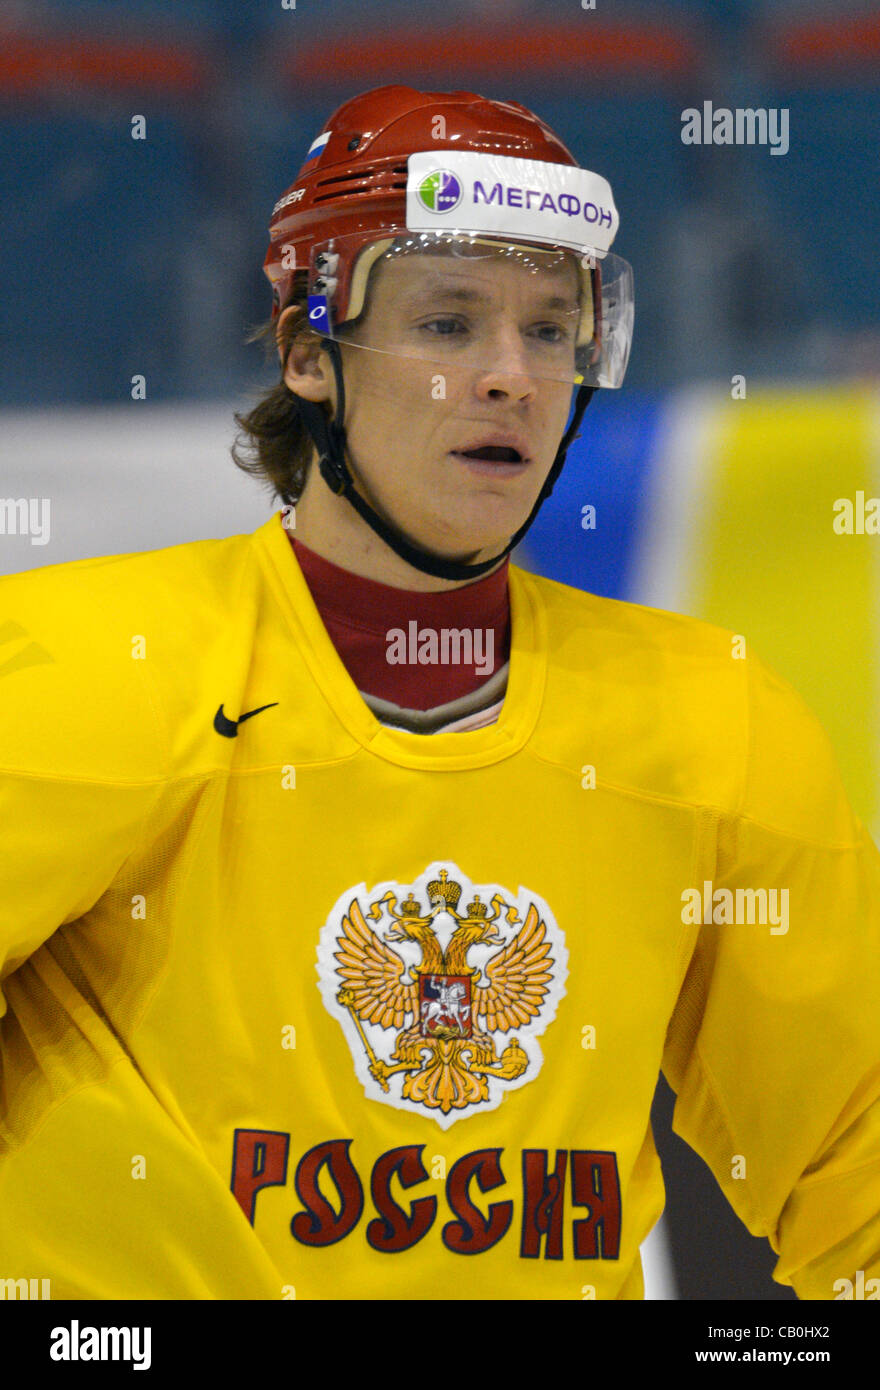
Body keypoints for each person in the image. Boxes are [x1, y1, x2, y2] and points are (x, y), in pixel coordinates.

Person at [0, 84, 877, 1302]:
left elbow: (857, 1178)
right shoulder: (86, 664)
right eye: (450, 325)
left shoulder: (707, 718)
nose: (511, 376)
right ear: (310, 352)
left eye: (550, 329)